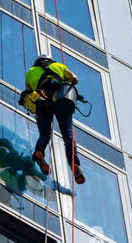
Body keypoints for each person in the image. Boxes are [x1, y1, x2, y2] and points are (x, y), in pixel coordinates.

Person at [19, 56, 85, 184]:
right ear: (49, 61)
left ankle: (39, 152)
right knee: (67, 134)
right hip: (60, 98)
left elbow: (28, 91)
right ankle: (73, 163)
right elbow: (74, 79)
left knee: (45, 134)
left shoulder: (29, 73)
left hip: (41, 101)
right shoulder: (58, 66)